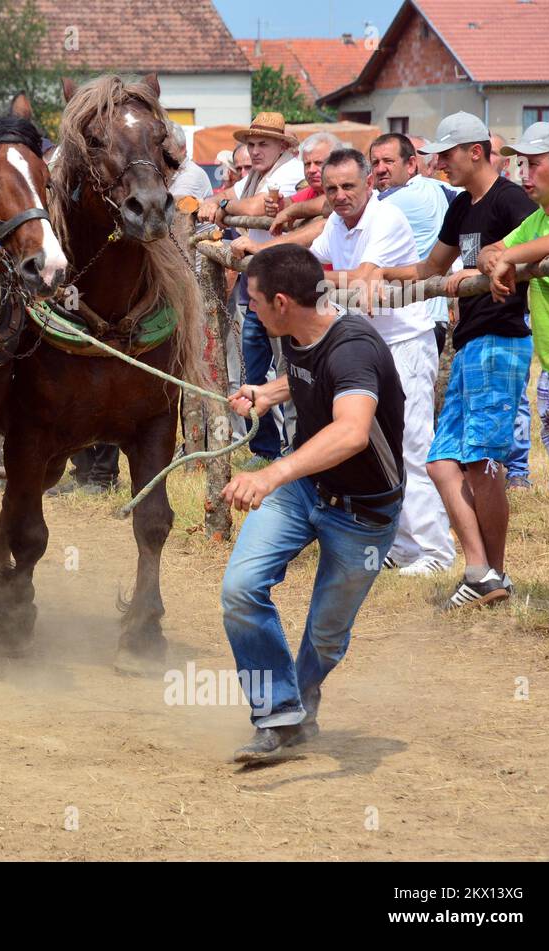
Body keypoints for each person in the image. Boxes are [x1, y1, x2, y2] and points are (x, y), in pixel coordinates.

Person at [221, 245, 404, 763]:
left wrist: (274, 472)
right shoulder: (300, 331)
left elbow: (351, 433)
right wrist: (269, 393)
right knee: (240, 589)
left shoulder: (353, 347)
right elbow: (309, 376)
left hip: (363, 512)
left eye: (253, 300)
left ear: (281, 301)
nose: (249, 309)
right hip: (305, 490)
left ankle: (300, 704)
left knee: (325, 637)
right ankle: (279, 716)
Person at [374, 113, 537, 602]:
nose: (439, 163)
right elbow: (430, 267)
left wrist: (480, 266)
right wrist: (378, 273)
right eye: (437, 155)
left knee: (482, 462)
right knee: (442, 464)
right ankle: (480, 571)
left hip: (501, 340)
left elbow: (531, 255)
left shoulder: (511, 200)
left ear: (477, 151)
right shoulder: (461, 205)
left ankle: (491, 574)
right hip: (468, 342)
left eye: (446, 154)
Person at [309, 148, 454, 576]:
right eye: (331, 188)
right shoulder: (337, 222)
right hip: (370, 348)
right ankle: (403, 546)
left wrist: (314, 279)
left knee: (413, 447)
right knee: (381, 451)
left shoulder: (384, 219)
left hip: (405, 344)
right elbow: (314, 249)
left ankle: (435, 551)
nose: (339, 195)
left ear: (369, 184)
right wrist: (273, 248)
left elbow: (363, 275)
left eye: (348, 186)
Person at [200, 113, 305, 466]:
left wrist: (224, 207)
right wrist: (219, 200)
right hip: (257, 288)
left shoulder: (290, 172)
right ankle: (265, 449)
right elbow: (235, 194)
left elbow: (261, 207)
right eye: (252, 144)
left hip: (286, 289)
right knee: (253, 371)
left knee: (288, 372)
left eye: (264, 144)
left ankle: (293, 450)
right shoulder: (258, 174)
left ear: (282, 146)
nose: (256, 151)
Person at [481, 122, 549, 522]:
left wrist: (513, 256)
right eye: (521, 165)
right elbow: (493, 249)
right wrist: (496, 258)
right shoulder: (536, 221)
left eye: (533, 165)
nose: (524, 174)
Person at [368, 133, 453, 354]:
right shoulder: (437, 188)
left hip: (414, 323)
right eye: (375, 162)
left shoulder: (402, 198)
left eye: (389, 161)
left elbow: (349, 204)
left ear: (411, 164)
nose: (380, 169)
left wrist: (293, 208)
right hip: (422, 318)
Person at [167, 124, 212, 200]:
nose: (161, 156)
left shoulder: (191, 175)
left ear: (182, 148)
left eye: (167, 151)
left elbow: (174, 208)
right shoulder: (169, 174)